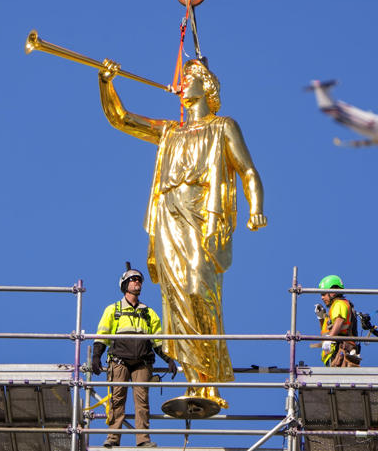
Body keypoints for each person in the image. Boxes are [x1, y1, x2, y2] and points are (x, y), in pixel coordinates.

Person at [98, 58, 267, 409]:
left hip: (201, 220)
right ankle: (194, 381)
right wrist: (106, 81)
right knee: (175, 301)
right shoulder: (169, 131)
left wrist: (256, 208)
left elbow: (248, 170)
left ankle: (211, 380)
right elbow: (121, 119)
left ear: (207, 87)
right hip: (169, 220)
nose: (181, 83)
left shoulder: (223, 126)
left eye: (189, 77)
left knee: (198, 291)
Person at [92, 265, 178, 448]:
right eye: (133, 279)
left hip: (142, 363)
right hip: (119, 360)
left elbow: (158, 342)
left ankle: (143, 440)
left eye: (139, 279)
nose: (137, 281)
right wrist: (96, 357)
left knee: (142, 402)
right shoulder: (113, 310)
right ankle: (113, 439)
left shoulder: (148, 313)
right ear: (124, 284)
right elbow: (102, 336)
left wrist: (169, 359)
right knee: (117, 400)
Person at [315, 274, 361, 367]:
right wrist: (321, 318)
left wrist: (329, 339)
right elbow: (326, 331)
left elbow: (339, 321)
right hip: (334, 355)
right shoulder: (335, 308)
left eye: (323, 294)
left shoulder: (339, 304)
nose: (322, 298)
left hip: (339, 351)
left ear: (333, 292)